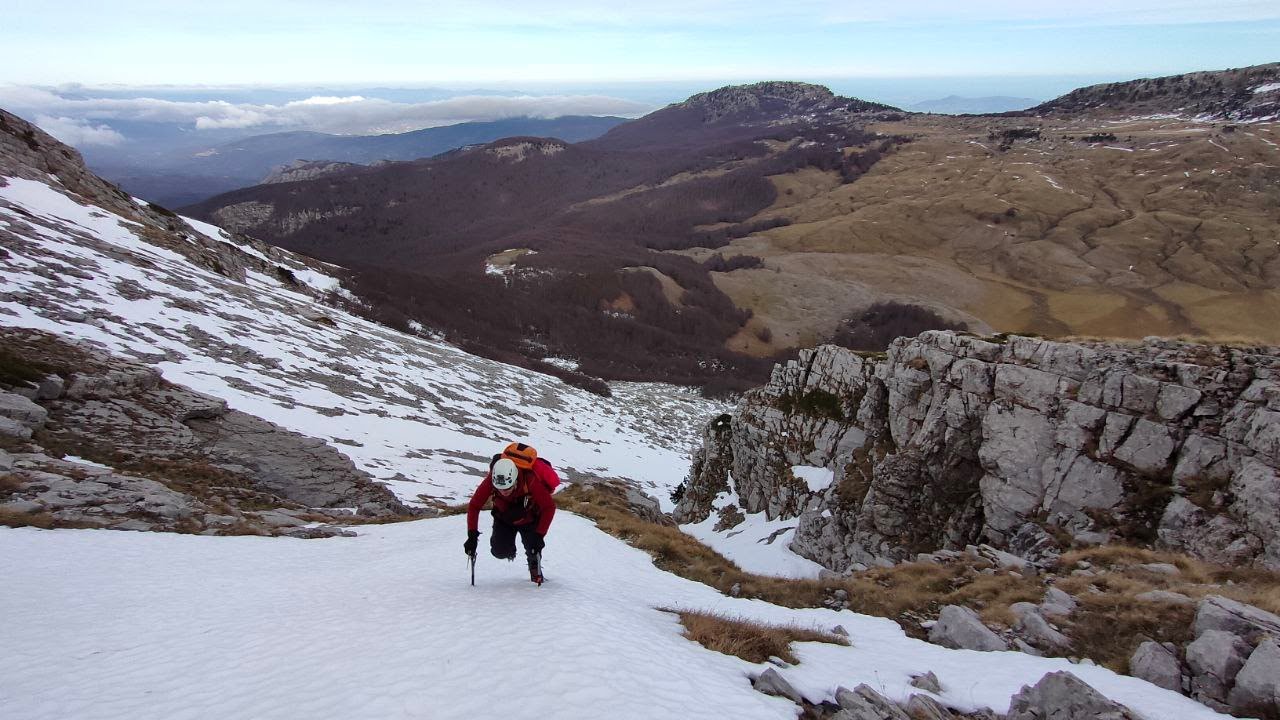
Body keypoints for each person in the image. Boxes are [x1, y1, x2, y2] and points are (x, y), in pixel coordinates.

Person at [464, 442, 558, 583]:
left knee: (533, 548)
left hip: (530, 518)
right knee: (499, 551)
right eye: (500, 489)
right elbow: (474, 505)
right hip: (504, 517)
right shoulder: (492, 479)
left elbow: (549, 507)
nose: (503, 492)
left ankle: (534, 567)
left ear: (514, 479)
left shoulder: (530, 480)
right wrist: (472, 535)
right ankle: (510, 550)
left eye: (507, 489)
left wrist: (539, 535)